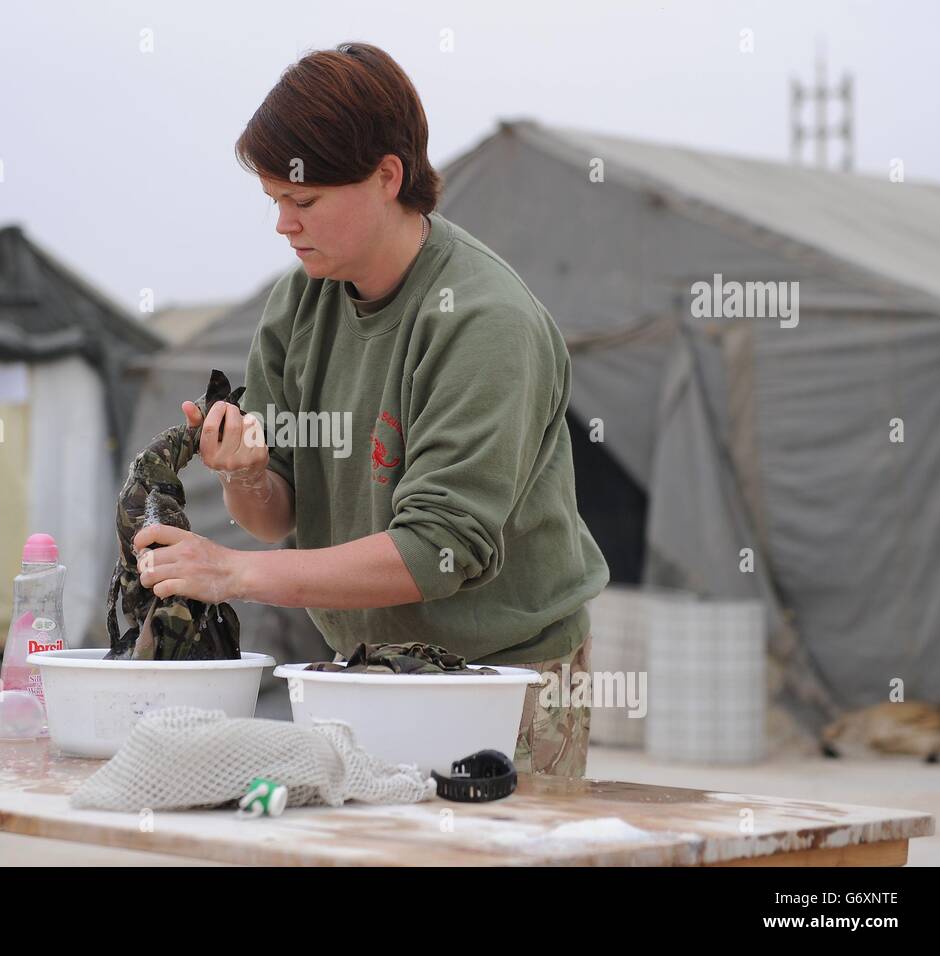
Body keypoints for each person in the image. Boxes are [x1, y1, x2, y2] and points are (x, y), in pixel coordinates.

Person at [133, 42, 608, 777]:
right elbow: (275, 515)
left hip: (502, 679)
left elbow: (434, 552)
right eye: (275, 203)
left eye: (304, 201)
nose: (284, 226)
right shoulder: (300, 300)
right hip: (360, 665)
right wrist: (247, 475)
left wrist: (234, 575)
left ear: (388, 176)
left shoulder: (483, 321)